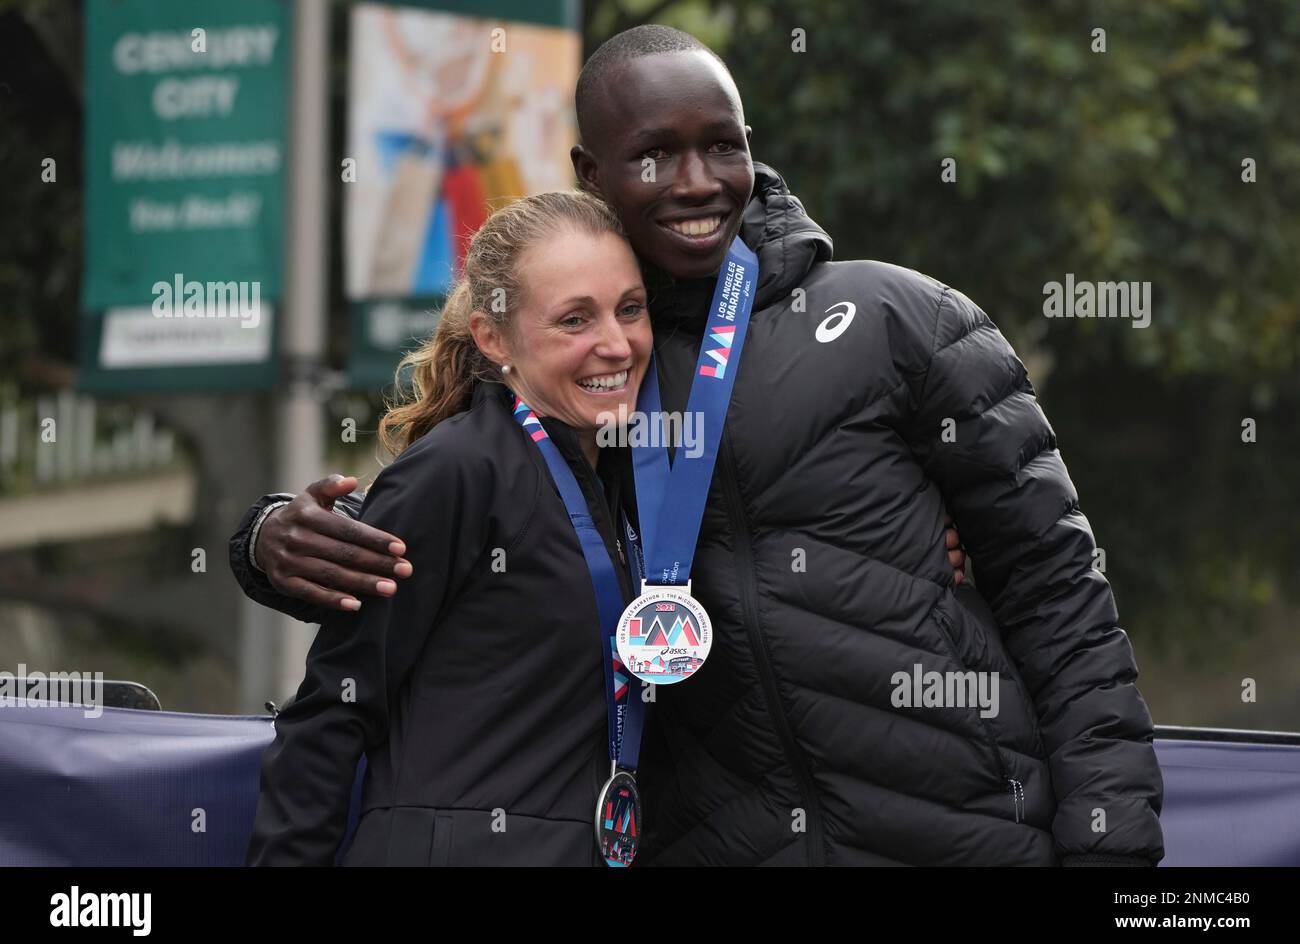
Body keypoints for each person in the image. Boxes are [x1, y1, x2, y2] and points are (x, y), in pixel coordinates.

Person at [233, 26, 1163, 866]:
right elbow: (436, 528)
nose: (697, 181)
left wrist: (1110, 846)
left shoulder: (900, 319)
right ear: (591, 173)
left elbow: (1058, 596)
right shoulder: (586, 382)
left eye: (724, 144)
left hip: (962, 840)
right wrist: (268, 539)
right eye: (655, 155)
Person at [246, 191, 655, 866]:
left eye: (630, 309)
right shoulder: (457, 469)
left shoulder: (624, 476)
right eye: (575, 319)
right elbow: (333, 708)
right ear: (495, 339)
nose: (616, 343)